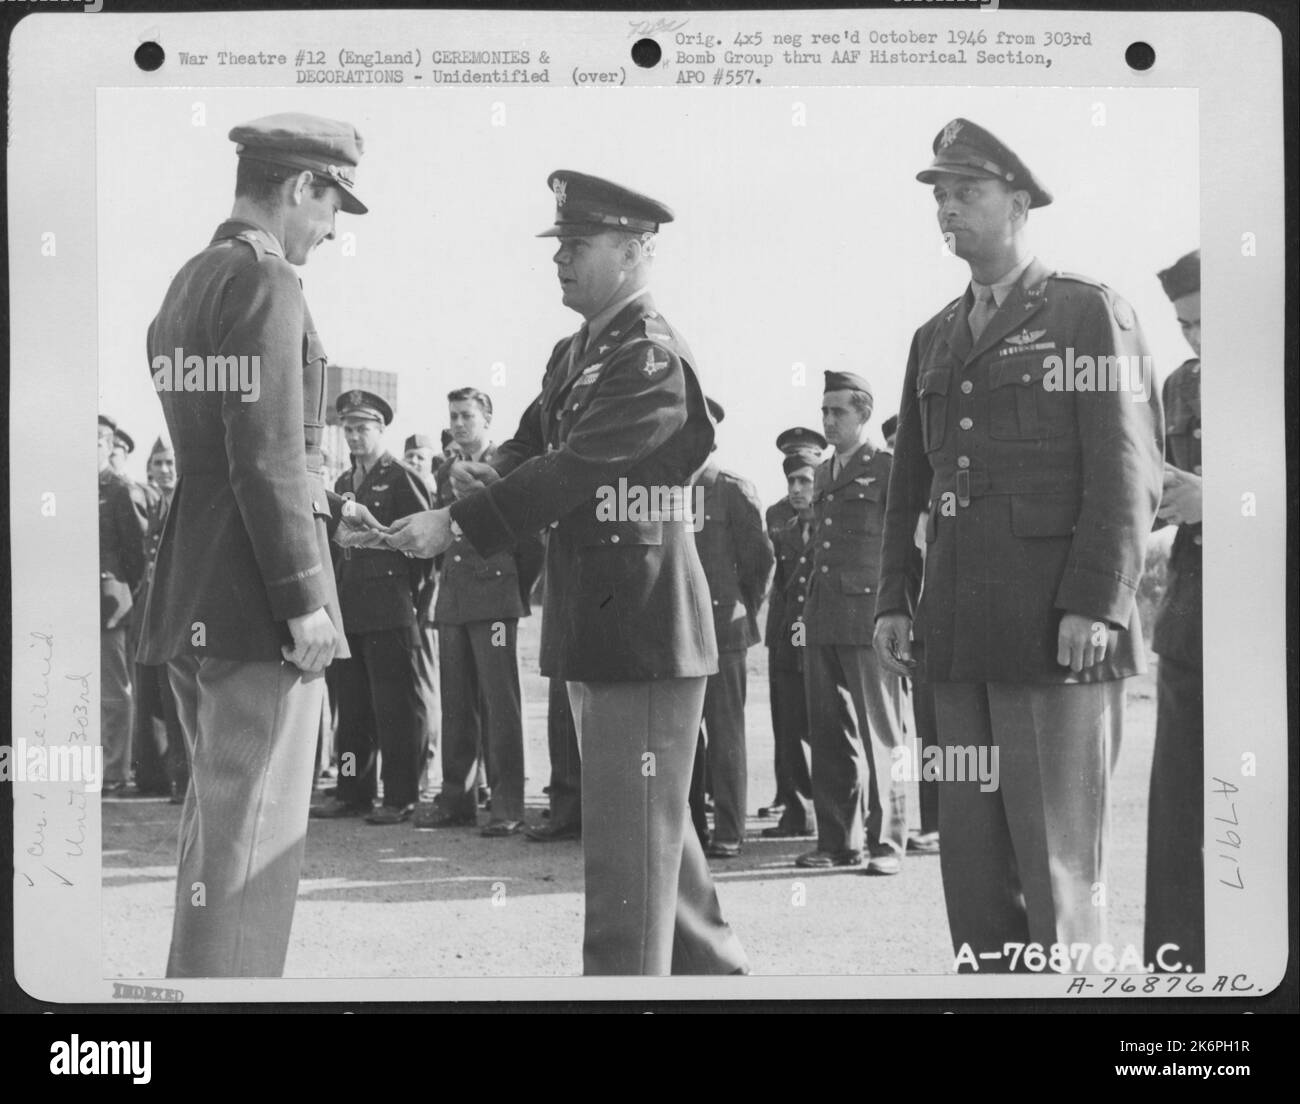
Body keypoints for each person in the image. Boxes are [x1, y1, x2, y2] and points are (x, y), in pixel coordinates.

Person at [382, 170, 748, 975]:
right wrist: (488, 474)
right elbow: (528, 443)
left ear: (635, 250)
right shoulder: (578, 350)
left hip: (644, 628)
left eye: (577, 246)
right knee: (654, 837)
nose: (560, 259)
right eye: (560, 245)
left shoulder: (647, 355)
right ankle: (715, 975)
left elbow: (578, 465)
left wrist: (457, 521)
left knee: (627, 856)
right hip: (604, 620)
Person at [873, 118, 1162, 969]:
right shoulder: (934, 335)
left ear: (1021, 202)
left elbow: (1127, 468)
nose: (948, 208)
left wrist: (1096, 605)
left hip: (1053, 636)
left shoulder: (1085, 310)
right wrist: (894, 597)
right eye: (939, 195)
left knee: (1056, 871)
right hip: (957, 639)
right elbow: (909, 489)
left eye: (967, 191)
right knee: (972, 868)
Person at [138, 112, 377, 977]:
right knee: (250, 856)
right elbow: (268, 454)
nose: (332, 227)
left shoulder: (187, 283)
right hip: (257, 608)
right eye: (331, 203)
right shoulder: (271, 285)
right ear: (298, 186)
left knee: (217, 841)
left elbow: (226, 452)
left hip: (200, 591)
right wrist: (305, 596)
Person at [797, 371, 908, 875]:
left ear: (863, 413)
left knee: (882, 732)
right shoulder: (821, 474)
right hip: (822, 615)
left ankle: (888, 842)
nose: (827, 420)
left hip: (870, 617)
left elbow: (906, 544)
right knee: (829, 732)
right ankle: (839, 840)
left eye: (837, 411)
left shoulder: (887, 468)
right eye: (823, 411)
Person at [415, 387, 539, 836]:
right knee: (456, 704)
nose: (459, 423)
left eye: (467, 415)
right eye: (453, 416)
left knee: (499, 704)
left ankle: (506, 805)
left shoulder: (505, 467)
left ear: (487, 420)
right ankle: (456, 798)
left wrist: (513, 589)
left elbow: (531, 542)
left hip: (496, 598)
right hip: (453, 599)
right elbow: (439, 531)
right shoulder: (445, 471)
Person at [312, 390, 433, 825]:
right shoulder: (344, 485)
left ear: (382, 430)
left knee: (394, 707)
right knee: (353, 707)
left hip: (390, 607)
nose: (354, 436)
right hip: (350, 607)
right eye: (348, 428)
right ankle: (352, 792)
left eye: (363, 427)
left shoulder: (400, 478)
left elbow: (426, 547)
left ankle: (401, 797)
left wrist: (411, 600)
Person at [1145, 249, 1204, 973]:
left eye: (1210, 322)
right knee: (1181, 811)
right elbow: (1152, 484)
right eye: (1187, 326)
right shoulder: (1179, 386)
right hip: (1190, 621)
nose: (1197, 340)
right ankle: (1179, 968)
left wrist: (1220, 499)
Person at [688, 398, 774, 858]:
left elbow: (759, 563)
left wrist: (741, 608)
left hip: (724, 631)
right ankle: (692, 830)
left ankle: (729, 830)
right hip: (680, 634)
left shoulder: (732, 489)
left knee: (725, 735)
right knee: (684, 738)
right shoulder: (667, 492)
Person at [759, 426, 827, 820]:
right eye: (791, 480)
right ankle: (795, 806)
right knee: (786, 722)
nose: (797, 488)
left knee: (820, 725)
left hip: (819, 633)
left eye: (805, 479)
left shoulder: (832, 518)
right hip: (786, 634)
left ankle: (823, 808)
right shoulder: (776, 515)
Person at [130, 437, 189, 801]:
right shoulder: (145, 499)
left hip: (177, 607)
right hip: (146, 605)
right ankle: (150, 777)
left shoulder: (186, 499)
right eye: (159, 464)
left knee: (175, 695)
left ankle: (182, 782)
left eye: (170, 463)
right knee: (147, 693)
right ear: (149, 468)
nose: (165, 470)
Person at [99, 415, 148, 795]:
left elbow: (135, 552)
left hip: (108, 603)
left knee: (114, 691)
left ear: (106, 445)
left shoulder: (118, 489)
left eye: (97, 441)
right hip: (73, 603)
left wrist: (124, 592)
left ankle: (114, 771)